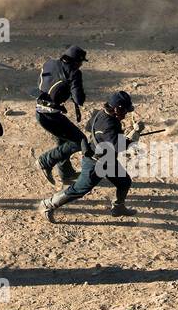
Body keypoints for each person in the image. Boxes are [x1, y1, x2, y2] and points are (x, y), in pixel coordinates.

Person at [39, 91, 143, 221]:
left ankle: (118, 207)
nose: (126, 114)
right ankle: (48, 204)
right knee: (79, 189)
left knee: (124, 182)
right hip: (96, 163)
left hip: (107, 159)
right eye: (125, 111)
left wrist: (114, 135)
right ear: (116, 109)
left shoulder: (100, 113)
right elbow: (119, 147)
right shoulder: (109, 125)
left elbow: (89, 127)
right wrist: (133, 136)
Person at [33, 46, 88, 187]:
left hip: (41, 110)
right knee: (79, 141)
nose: (81, 65)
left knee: (63, 141)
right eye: (81, 62)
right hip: (51, 116)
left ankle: (66, 173)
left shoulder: (50, 63)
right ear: (75, 61)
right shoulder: (74, 73)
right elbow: (79, 99)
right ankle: (45, 161)